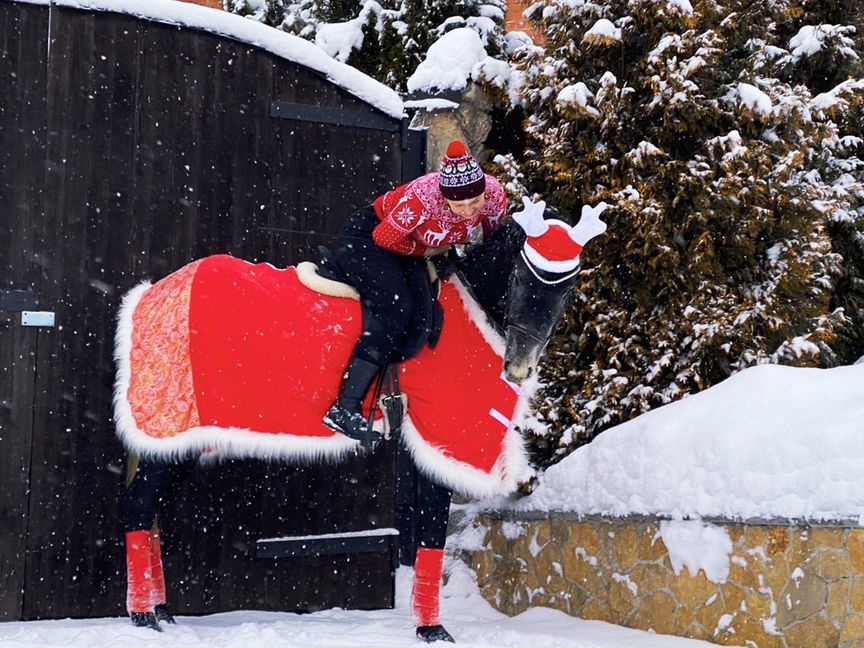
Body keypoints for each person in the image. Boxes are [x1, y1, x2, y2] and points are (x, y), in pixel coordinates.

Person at [322, 140, 508, 446]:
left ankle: (394, 389)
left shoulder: (494, 195)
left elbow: (494, 239)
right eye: (458, 205)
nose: (467, 211)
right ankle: (345, 408)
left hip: (415, 248)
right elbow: (384, 237)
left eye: (475, 201)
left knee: (423, 318)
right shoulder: (422, 199)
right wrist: (430, 250)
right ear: (444, 198)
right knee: (397, 310)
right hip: (372, 238)